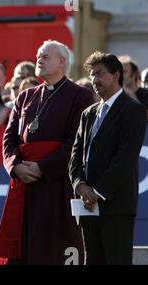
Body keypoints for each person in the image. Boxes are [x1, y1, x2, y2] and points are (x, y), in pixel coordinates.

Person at [0, 40, 95, 265]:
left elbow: (76, 142)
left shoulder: (80, 96)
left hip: (58, 184)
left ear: (62, 62)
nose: (39, 59)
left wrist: (42, 167)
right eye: (38, 56)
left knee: (55, 247)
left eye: (46, 56)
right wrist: (15, 166)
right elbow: (9, 140)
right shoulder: (25, 96)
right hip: (25, 184)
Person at [69, 51, 146, 265]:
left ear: (116, 75)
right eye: (92, 75)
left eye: (100, 73)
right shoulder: (88, 113)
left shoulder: (133, 110)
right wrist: (80, 186)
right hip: (87, 205)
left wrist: (97, 192)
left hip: (116, 205)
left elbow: (125, 158)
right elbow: (75, 155)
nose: (94, 79)